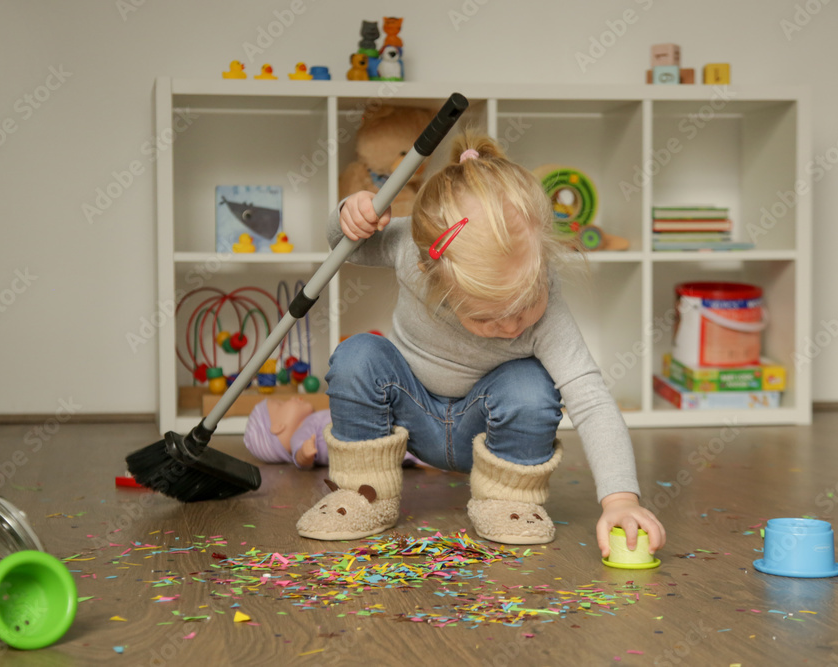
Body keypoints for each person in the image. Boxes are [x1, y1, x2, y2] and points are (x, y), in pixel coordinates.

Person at [296, 131, 666, 556]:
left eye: (526, 305)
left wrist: (621, 500)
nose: (512, 326)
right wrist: (350, 213)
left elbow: (591, 399)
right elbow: (343, 245)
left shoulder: (547, 301)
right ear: (428, 272)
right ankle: (362, 495)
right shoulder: (414, 252)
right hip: (408, 413)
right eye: (487, 316)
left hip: (489, 431)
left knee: (531, 383)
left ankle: (509, 502)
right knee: (357, 354)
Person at [243, 397, 422, 469]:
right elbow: (299, 457)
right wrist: (304, 455)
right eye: (281, 404)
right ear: (278, 427)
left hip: (365, 437)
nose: (291, 398)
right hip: (362, 440)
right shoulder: (300, 434)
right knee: (402, 443)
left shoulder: (309, 422)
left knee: (401, 444)